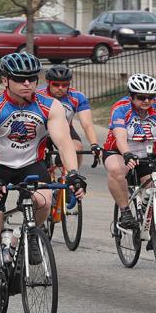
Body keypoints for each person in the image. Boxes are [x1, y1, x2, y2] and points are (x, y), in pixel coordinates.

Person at [0, 51, 87, 313]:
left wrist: (73, 174)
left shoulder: (49, 106)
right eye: (20, 80)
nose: (27, 84)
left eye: (32, 79)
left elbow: (64, 141)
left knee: (44, 200)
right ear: (5, 80)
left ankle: (31, 235)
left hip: (31, 164)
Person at [102, 73, 156, 228]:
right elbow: (120, 135)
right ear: (131, 96)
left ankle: (151, 229)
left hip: (150, 154)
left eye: (150, 97)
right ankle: (125, 213)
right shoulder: (121, 108)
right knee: (116, 170)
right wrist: (126, 154)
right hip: (119, 151)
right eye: (141, 97)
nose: (146, 101)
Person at [43, 64, 96, 210]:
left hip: (65, 130)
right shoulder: (39, 95)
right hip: (42, 132)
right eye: (56, 84)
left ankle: (72, 177)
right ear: (48, 83)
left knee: (77, 148)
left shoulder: (77, 97)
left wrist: (94, 144)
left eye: (65, 85)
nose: (60, 88)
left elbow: (87, 124)